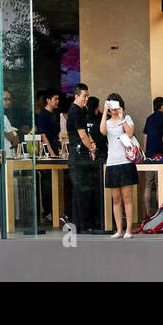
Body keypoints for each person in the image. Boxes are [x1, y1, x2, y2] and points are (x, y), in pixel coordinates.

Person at [100, 94, 138, 238]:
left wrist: (122, 117)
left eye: (116, 105)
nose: (114, 109)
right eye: (112, 106)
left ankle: (128, 230)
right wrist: (105, 111)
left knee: (127, 197)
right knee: (116, 199)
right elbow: (102, 131)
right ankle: (119, 230)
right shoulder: (107, 121)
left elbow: (130, 133)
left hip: (126, 162)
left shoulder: (126, 119)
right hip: (112, 162)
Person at [67, 83, 99, 233]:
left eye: (87, 95)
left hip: (81, 152)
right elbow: (82, 134)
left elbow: (87, 133)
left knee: (82, 190)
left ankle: (82, 223)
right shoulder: (75, 111)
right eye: (84, 96)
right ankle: (83, 224)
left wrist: (92, 145)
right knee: (82, 190)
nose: (87, 99)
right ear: (76, 96)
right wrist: (91, 147)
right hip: (78, 154)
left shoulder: (80, 111)